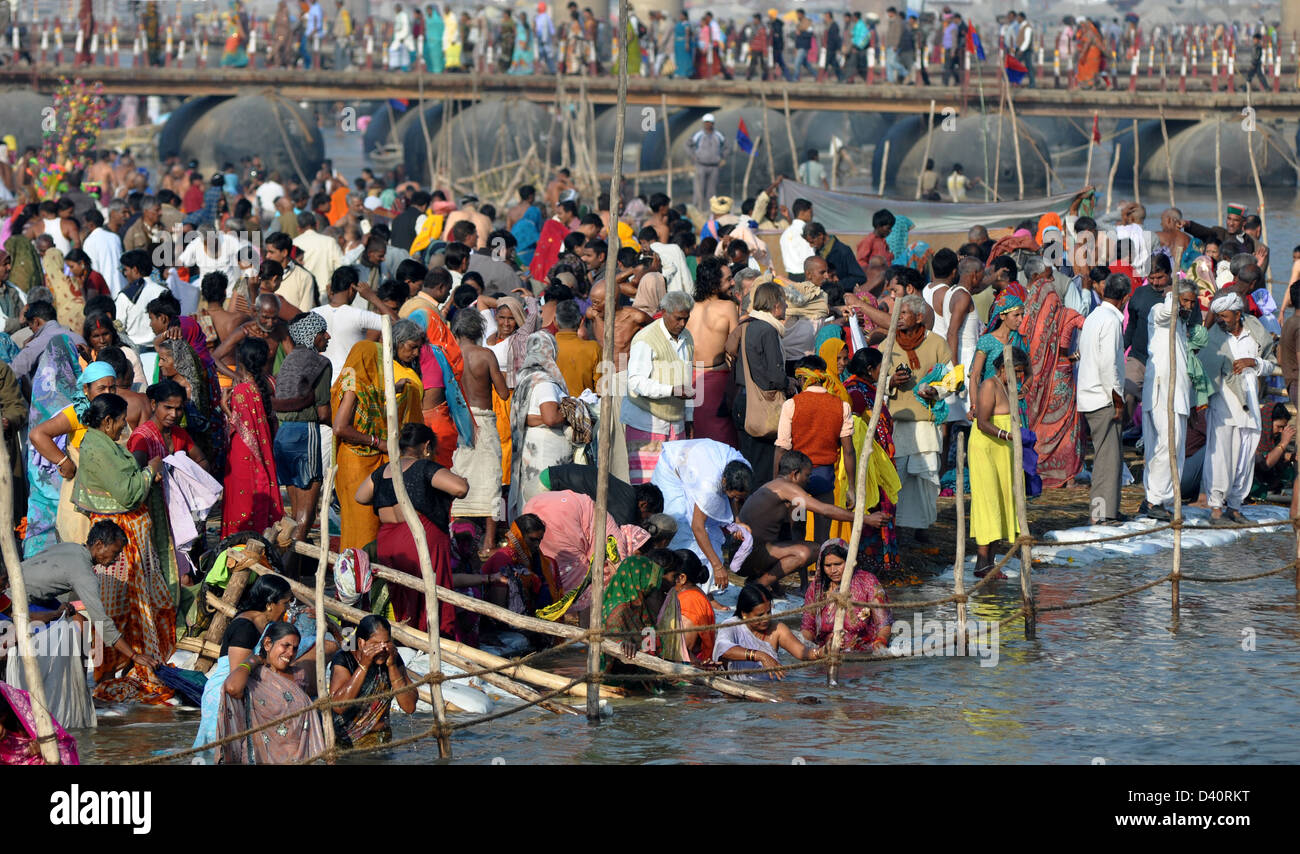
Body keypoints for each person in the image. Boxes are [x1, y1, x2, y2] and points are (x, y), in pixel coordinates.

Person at [2, 523, 159, 732]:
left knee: (80, 623)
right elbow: (102, 621)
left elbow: (47, 579)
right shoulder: (85, 573)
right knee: (76, 627)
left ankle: (79, 690)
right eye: (115, 552)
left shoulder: (71, 548)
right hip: (14, 602)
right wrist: (134, 656)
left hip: (25, 594)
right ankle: (63, 698)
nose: (115, 559)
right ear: (100, 545)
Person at [71, 394, 176, 704]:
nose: (123, 427)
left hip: (128, 538)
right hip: (117, 542)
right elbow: (128, 494)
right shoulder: (98, 448)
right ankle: (108, 672)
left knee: (132, 606)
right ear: (107, 422)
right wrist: (150, 469)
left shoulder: (103, 443)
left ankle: (127, 663)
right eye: (120, 421)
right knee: (116, 607)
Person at [331, 338, 423, 552]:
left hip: (369, 461)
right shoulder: (353, 385)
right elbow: (340, 428)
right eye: (378, 361)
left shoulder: (365, 386)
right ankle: (356, 573)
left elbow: (375, 401)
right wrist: (378, 442)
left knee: (373, 521)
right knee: (361, 523)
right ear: (367, 360)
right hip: (356, 462)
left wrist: (398, 389)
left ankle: (370, 574)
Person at [192, 573, 293, 759]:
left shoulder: (265, 624)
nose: (287, 608)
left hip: (241, 693)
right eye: (285, 603)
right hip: (224, 695)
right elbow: (237, 675)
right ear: (270, 603)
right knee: (216, 755)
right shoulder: (245, 627)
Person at [25, 351, 112, 556]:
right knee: (84, 552)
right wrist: (64, 461)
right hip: (80, 500)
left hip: (108, 498)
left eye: (112, 387)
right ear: (86, 389)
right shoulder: (77, 412)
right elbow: (38, 434)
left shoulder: (116, 409)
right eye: (101, 388)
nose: (108, 392)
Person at [738, 450, 864, 590]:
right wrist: (866, 519)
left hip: (747, 555)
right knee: (813, 550)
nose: (808, 480)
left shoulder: (774, 485)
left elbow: (796, 524)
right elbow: (825, 510)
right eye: (807, 475)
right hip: (747, 558)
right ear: (795, 474)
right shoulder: (786, 488)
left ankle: (762, 581)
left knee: (798, 539)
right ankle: (758, 585)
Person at [1201, 292, 1272, 525]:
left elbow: (1271, 364)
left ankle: (1235, 505)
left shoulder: (1255, 331)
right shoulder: (1214, 339)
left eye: (1225, 315)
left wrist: (1254, 363)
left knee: (1245, 455)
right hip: (1223, 405)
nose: (1221, 320)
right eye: (1218, 316)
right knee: (1220, 456)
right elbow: (1205, 371)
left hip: (1250, 404)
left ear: (1238, 314)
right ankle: (1215, 508)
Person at [887, 294, 952, 541]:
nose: (899, 318)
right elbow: (873, 377)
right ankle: (900, 528)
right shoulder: (889, 344)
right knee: (899, 478)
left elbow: (951, 378)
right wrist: (891, 382)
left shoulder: (936, 343)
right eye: (897, 313)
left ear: (919, 316)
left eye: (903, 313)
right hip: (899, 425)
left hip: (926, 424)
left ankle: (923, 527)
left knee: (926, 476)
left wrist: (936, 391)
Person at [271, 313, 331, 574]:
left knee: (294, 512)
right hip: (306, 433)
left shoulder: (287, 361)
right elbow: (324, 413)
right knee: (306, 516)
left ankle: (291, 569)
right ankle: (287, 575)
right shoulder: (321, 363)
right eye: (323, 332)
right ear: (312, 335)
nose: (327, 337)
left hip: (283, 435)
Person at [217, 621, 327, 764]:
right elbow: (232, 688)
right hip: (260, 757)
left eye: (294, 648)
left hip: (299, 758)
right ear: (268, 644)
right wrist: (253, 659)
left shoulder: (299, 675)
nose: (290, 653)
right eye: (286, 645)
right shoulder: (254, 676)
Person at [651, 438, 751, 592]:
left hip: (697, 464)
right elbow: (697, 527)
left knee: (711, 529)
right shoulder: (709, 485)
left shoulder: (744, 469)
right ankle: (676, 584)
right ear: (723, 482)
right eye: (734, 496)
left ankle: (707, 592)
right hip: (672, 468)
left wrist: (738, 521)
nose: (736, 500)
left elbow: (735, 496)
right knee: (680, 525)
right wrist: (718, 566)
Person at [1020, 255, 1085, 488]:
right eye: (1049, 274)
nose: (1052, 279)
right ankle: (1066, 477)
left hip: (1032, 377)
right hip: (1060, 371)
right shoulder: (1051, 296)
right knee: (1065, 425)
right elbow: (1082, 325)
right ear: (1038, 276)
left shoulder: (1023, 305)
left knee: (1042, 423)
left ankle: (1035, 470)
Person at [449, 308, 507, 550]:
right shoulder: (486, 355)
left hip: (458, 423)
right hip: (484, 422)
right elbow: (503, 393)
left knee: (457, 475)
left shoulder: (449, 356)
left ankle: (455, 535)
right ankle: (489, 541)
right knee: (491, 480)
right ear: (479, 331)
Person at [624, 289, 695, 484]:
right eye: (678, 318)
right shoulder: (646, 339)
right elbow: (636, 382)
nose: (682, 324)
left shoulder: (687, 337)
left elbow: (687, 380)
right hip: (646, 422)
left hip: (676, 422)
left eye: (686, 319)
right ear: (664, 312)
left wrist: (689, 418)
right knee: (647, 486)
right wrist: (671, 390)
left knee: (674, 482)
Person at [971, 348, 1030, 577]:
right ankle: (983, 563)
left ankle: (990, 563)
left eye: (1021, 372)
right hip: (987, 449)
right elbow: (982, 423)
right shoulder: (989, 385)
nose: (1019, 376)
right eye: (1016, 371)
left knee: (1004, 501)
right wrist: (1007, 435)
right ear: (1003, 367)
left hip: (1004, 452)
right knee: (989, 502)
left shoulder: (1009, 388)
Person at [1077, 273, 1129, 523]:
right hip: (1102, 397)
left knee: (1108, 457)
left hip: (1093, 394)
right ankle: (1101, 515)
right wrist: (1118, 399)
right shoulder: (1109, 320)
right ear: (1125, 298)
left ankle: (1108, 511)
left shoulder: (1095, 316)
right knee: (1106, 460)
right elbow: (1109, 365)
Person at [728, 282, 789, 488]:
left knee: (750, 463)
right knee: (763, 470)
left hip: (744, 401)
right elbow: (775, 376)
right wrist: (789, 382)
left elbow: (729, 348)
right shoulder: (768, 330)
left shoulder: (748, 325)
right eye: (784, 301)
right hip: (761, 406)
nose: (787, 306)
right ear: (775, 305)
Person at [220, 337, 283, 537]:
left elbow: (240, 427)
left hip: (243, 453)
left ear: (240, 360)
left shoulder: (240, 391)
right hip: (262, 451)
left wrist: (225, 408)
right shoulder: (266, 385)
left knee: (242, 500)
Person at [508, 331, 574, 517]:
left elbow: (524, 417)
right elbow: (551, 418)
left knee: (532, 502)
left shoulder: (525, 380)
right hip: (546, 452)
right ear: (550, 352)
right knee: (546, 503)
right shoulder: (545, 382)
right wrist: (571, 411)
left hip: (531, 449)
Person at [328, 615, 417, 749]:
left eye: (386, 642)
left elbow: (409, 707)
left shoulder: (392, 658)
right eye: (375, 644)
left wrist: (392, 667)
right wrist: (363, 666)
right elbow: (339, 706)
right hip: (347, 744)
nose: (382, 648)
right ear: (361, 643)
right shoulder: (344, 659)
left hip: (381, 739)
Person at [1140, 291, 1190, 520]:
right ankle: (1153, 501)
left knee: (1175, 446)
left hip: (1178, 395)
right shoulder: (1159, 311)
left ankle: (1162, 499)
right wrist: (1174, 292)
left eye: (1191, 302)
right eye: (1184, 301)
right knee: (1165, 444)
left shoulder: (1181, 325)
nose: (1187, 306)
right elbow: (1168, 311)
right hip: (1162, 392)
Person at [712, 584, 822, 679]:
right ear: (744, 614)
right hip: (738, 690)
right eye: (760, 615)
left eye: (768, 612)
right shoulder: (731, 626)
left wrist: (822, 652)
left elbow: (802, 652)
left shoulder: (777, 628)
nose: (766, 619)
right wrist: (760, 656)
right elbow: (724, 649)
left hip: (769, 686)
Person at [800, 538, 891, 652]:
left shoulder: (868, 582)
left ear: (848, 562)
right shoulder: (816, 589)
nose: (833, 570)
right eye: (828, 565)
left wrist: (880, 642)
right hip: (826, 651)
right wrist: (805, 649)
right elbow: (808, 628)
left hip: (862, 652)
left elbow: (883, 624)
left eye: (838, 564)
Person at [686, 256, 739, 445]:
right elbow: (734, 347)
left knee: (694, 436)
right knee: (720, 438)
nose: (733, 282)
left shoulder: (689, 306)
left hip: (689, 378)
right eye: (728, 279)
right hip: (717, 379)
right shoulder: (728, 307)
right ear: (714, 284)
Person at [654, 549, 716, 663]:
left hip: (688, 670)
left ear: (681, 578)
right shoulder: (689, 593)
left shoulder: (690, 601)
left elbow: (681, 650)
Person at [687, 114, 728, 213]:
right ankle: (697, 210)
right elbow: (688, 145)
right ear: (703, 123)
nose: (708, 124)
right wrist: (693, 156)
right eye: (706, 122)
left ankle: (711, 211)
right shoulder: (698, 135)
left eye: (710, 123)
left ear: (713, 124)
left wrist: (722, 157)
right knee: (699, 190)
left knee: (712, 191)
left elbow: (727, 147)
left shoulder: (718, 135)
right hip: (701, 165)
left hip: (714, 166)